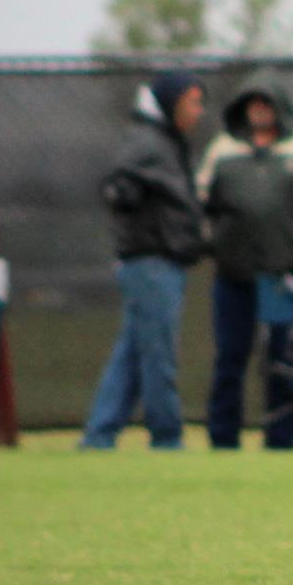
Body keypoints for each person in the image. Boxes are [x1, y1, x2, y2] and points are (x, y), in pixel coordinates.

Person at [194, 84, 293, 450]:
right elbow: (202, 201)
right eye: (253, 104)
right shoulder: (224, 149)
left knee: (284, 363)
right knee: (230, 359)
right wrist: (215, 243)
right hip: (233, 275)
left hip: (284, 277)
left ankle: (282, 443)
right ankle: (223, 441)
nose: (259, 111)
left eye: (266, 104)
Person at [80, 70, 208, 450]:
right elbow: (117, 187)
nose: (199, 111)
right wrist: (128, 199)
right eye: (193, 102)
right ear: (171, 103)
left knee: (133, 354)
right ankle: (167, 438)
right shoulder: (149, 141)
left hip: (159, 262)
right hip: (152, 262)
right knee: (158, 357)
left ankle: (99, 437)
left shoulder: (165, 140)